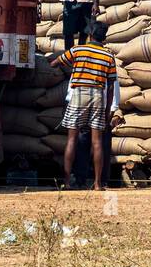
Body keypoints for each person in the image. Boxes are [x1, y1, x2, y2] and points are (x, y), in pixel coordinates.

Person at [50, 21, 117, 191]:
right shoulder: (109, 56)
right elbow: (110, 87)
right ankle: (96, 184)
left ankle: (66, 182)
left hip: (78, 94)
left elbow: (55, 63)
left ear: (90, 35)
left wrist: (70, 67)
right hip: (98, 96)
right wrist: (108, 110)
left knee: (72, 139)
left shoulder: (78, 50)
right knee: (97, 142)